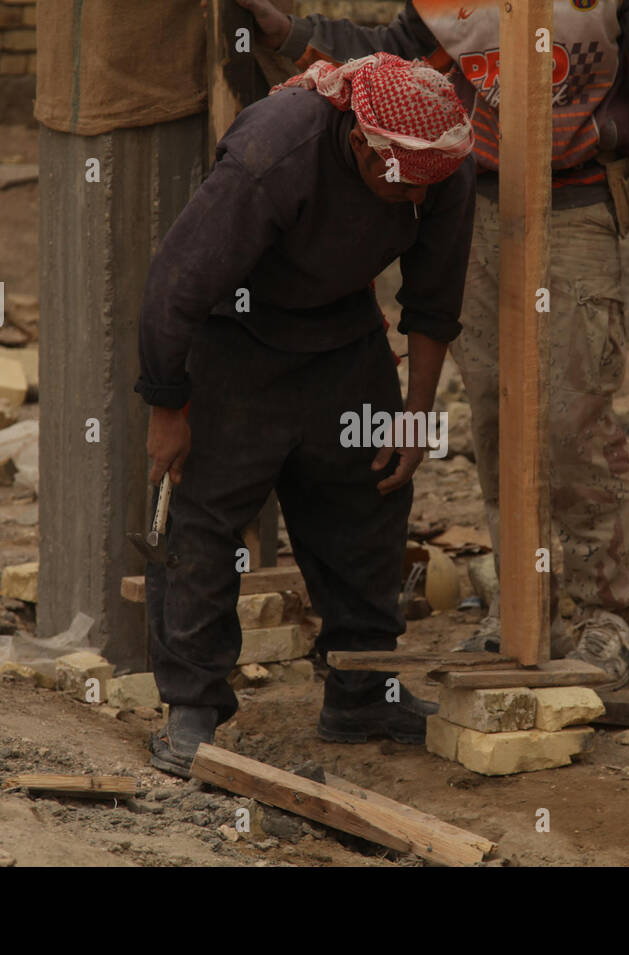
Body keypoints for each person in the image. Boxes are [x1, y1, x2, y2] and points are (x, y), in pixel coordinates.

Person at [238, 0, 629, 686]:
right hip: (476, 203)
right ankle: (523, 602)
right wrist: (294, 36)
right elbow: (390, 60)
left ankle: (604, 611)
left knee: (573, 415)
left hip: (575, 200)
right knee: (495, 408)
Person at [136, 53, 476, 777]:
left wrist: (415, 416)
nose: (410, 191)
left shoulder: (441, 163)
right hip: (236, 335)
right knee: (202, 519)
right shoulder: (275, 151)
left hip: (342, 336)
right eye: (397, 178)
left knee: (369, 498)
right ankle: (192, 706)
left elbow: (434, 300)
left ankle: (362, 691)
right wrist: (169, 408)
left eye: (424, 183)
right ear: (359, 140)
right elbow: (174, 285)